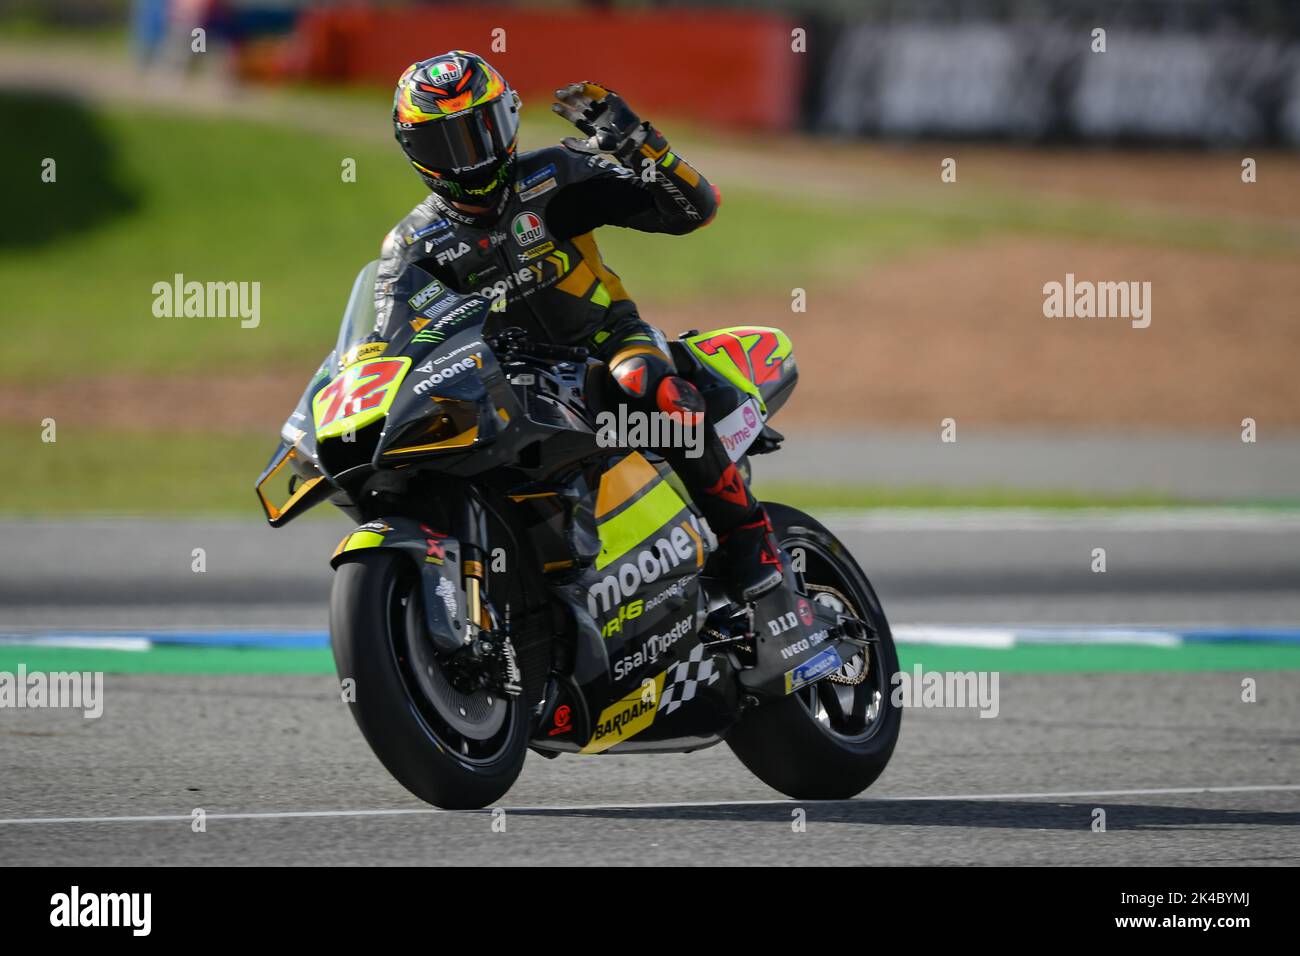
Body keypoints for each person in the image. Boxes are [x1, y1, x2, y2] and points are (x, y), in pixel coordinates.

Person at [378, 50, 782, 601]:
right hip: (505, 384)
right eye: (446, 144)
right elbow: (388, 346)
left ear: (509, 121)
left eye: (480, 132)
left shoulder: (553, 177)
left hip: (603, 346)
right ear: (413, 150)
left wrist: (643, 146)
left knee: (644, 381)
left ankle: (748, 533)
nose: (469, 159)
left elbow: (694, 210)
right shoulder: (413, 247)